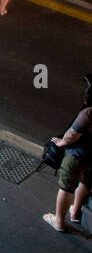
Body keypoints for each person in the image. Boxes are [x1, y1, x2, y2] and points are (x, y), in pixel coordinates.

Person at [45, 75, 92, 233]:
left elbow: (72, 135)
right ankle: (75, 213)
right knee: (86, 182)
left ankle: (59, 222)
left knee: (67, 187)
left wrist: (61, 142)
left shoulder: (88, 114)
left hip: (78, 156)